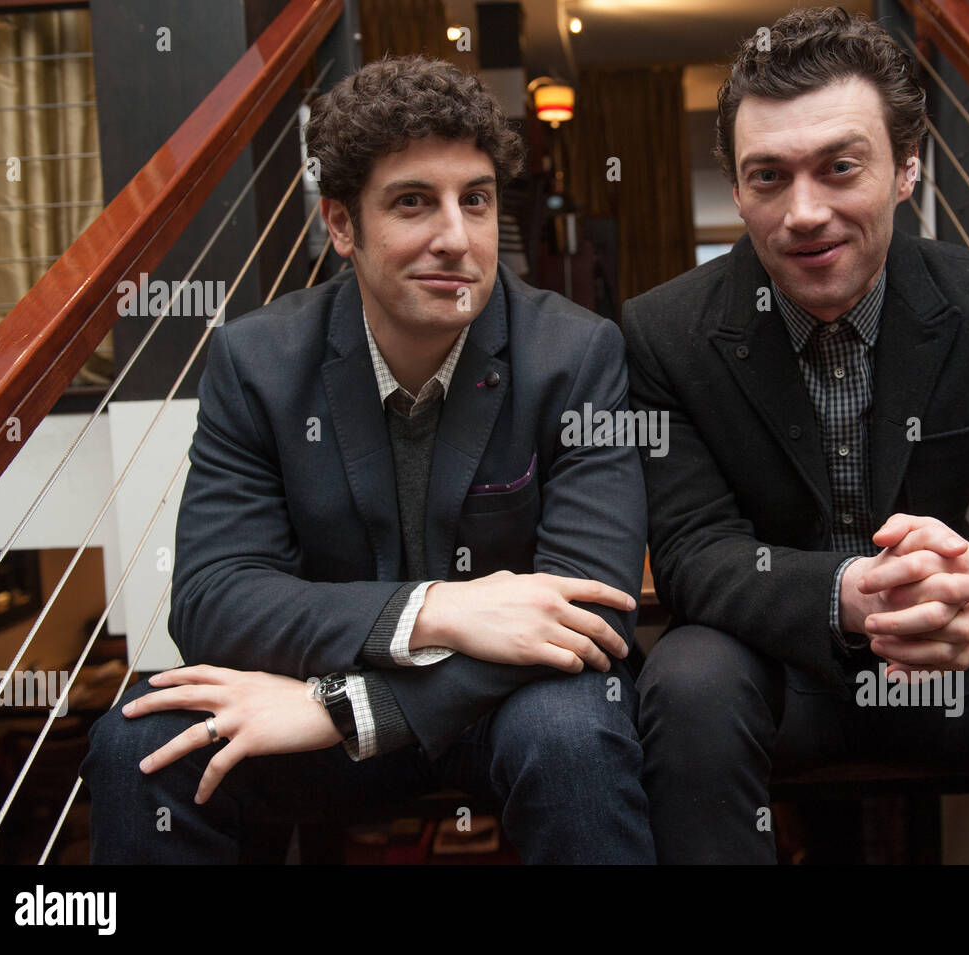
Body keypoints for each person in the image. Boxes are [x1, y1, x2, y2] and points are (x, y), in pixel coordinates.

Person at [623, 6, 969, 864]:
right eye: (769, 178)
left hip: (966, 666)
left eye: (840, 167)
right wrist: (854, 593)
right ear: (738, 190)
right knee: (687, 674)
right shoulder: (664, 332)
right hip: (782, 675)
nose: (803, 212)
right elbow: (696, 553)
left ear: (906, 169)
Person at [80, 55, 655, 864]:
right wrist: (435, 611)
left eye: (477, 201)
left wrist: (347, 706)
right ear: (342, 225)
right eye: (414, 202)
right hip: (316, 708)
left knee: (574, 726)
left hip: (507, 705)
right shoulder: (259, 361)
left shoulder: (576, 353)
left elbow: (592, 615)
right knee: (143, 739)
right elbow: (214, 597)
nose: (455, 238)